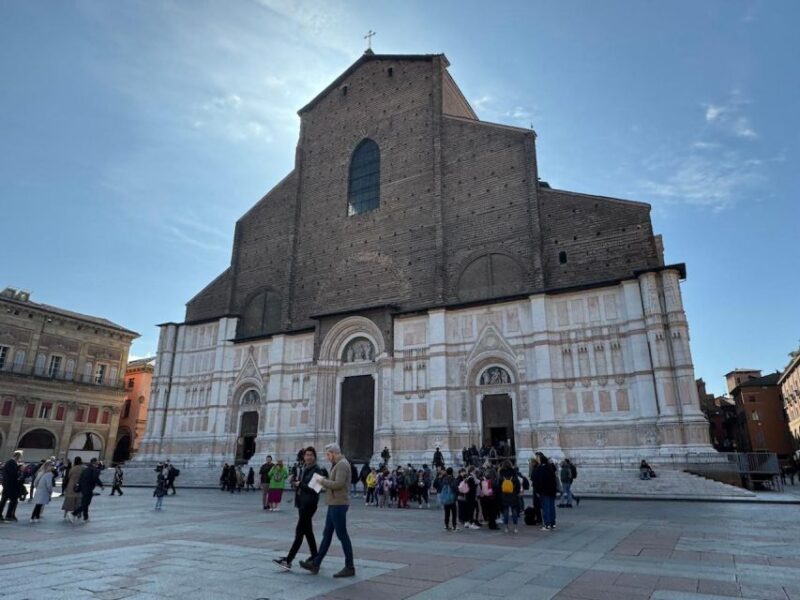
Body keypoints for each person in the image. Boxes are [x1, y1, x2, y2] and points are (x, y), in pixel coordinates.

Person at [299, 443, 355, 578]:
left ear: (334, 453)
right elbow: (334, 484)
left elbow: (339, 484)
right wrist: (323, 484)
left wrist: (322, 481)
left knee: (342, 535)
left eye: (328, 454)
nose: (327, 457)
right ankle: (316, 563)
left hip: (339, 504)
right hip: (333, 503)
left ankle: (350, 566)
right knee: (327, 534)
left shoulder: (342, 464)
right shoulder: (337, 464)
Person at [273, 446, 327, 571]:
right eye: (307, 455)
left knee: (299, 533)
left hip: (309, 504)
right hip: (302, 503)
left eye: (311, 455)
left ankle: (288, 560)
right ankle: (315, 557)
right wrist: (296, 483)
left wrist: (300, 484)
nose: (308, 457)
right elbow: (305, 485)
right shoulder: (305, 468)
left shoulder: (318, 470)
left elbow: (316, 489)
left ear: (315, 457)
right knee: (308, 532)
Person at [69, 458, 104, 523]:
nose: (98, 464)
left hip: (83, 488)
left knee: (85, 503)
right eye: (97, 463)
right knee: (86, 503)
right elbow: (95, 478)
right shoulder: (95, 470)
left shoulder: (86, 469)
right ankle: (73, 513)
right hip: (88, 488)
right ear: (94, 463)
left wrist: (80, 487)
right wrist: (101, 485)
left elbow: (81, 478)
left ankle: (86, 517)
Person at [531, 452, 558, 531]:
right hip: (552, 491)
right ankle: (553, 524)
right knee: (552, 508)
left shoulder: (539, 469)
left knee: (546, 508)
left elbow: (537, 481)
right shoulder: (550, 468)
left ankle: (547, 525)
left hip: (544, 492)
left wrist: (538, 491)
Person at [0, 450, 23, 523]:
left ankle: (4, 515)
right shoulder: (12, 463)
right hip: (10, 485)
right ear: (17, 456)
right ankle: (9, 516)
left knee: (4, 500)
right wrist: (19, 470)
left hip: (7, 485)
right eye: (20, 457)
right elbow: (13, 474)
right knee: (13, 500)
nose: (20, 459)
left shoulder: (9, 462)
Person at [498, 460, 520, 534]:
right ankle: (515, 527)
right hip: (513, 493)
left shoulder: (501, 473)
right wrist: (517, 492)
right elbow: (518, 483)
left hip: (504, 494)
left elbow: (499, 485)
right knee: (514, 511)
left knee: (505, 511)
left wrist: (500, 493)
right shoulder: (514, 472)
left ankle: (506, 527)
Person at [439, 467, 459, 531]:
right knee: (454, 513)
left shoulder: (444, 479)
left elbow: (441, 486)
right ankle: (454, 525)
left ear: (446, 472)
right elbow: (455, 488)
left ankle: (446, 525)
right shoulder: (453, 479)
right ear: (452, 472)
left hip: (445, 498)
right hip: (452, 499)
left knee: (447, 513)